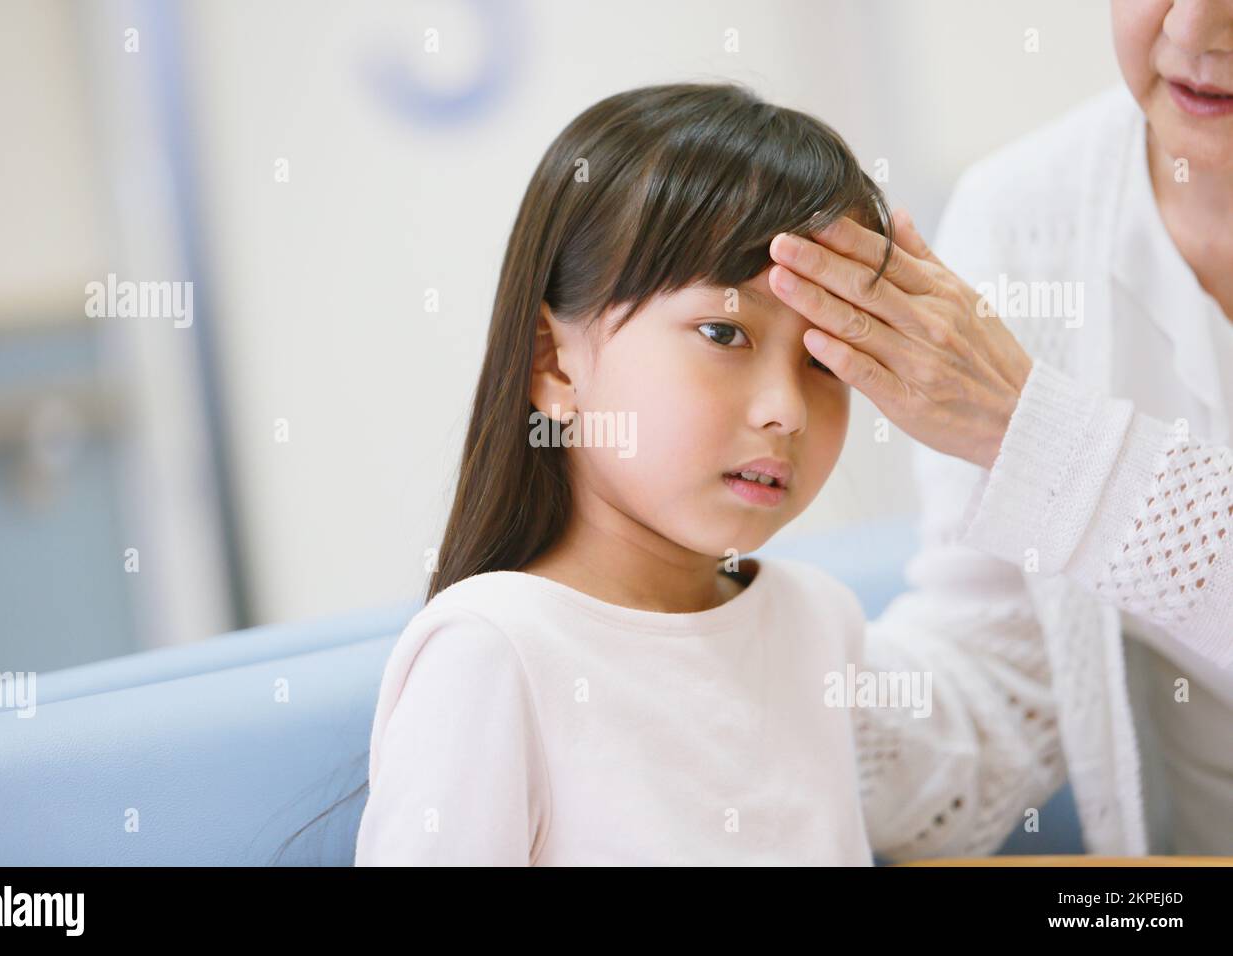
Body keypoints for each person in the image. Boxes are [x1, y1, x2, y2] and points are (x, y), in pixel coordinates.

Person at [351, 82, 1063, 866]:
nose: (786, 410)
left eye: (824, 356)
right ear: (553, 363)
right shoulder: (491, 652)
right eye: (724, 332)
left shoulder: (815, 622)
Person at [766, 0, 1233, 853]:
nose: (1192, 32)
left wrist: (1035, 435)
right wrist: (751, 705)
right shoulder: (1021, 215)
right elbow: (1010, 672)